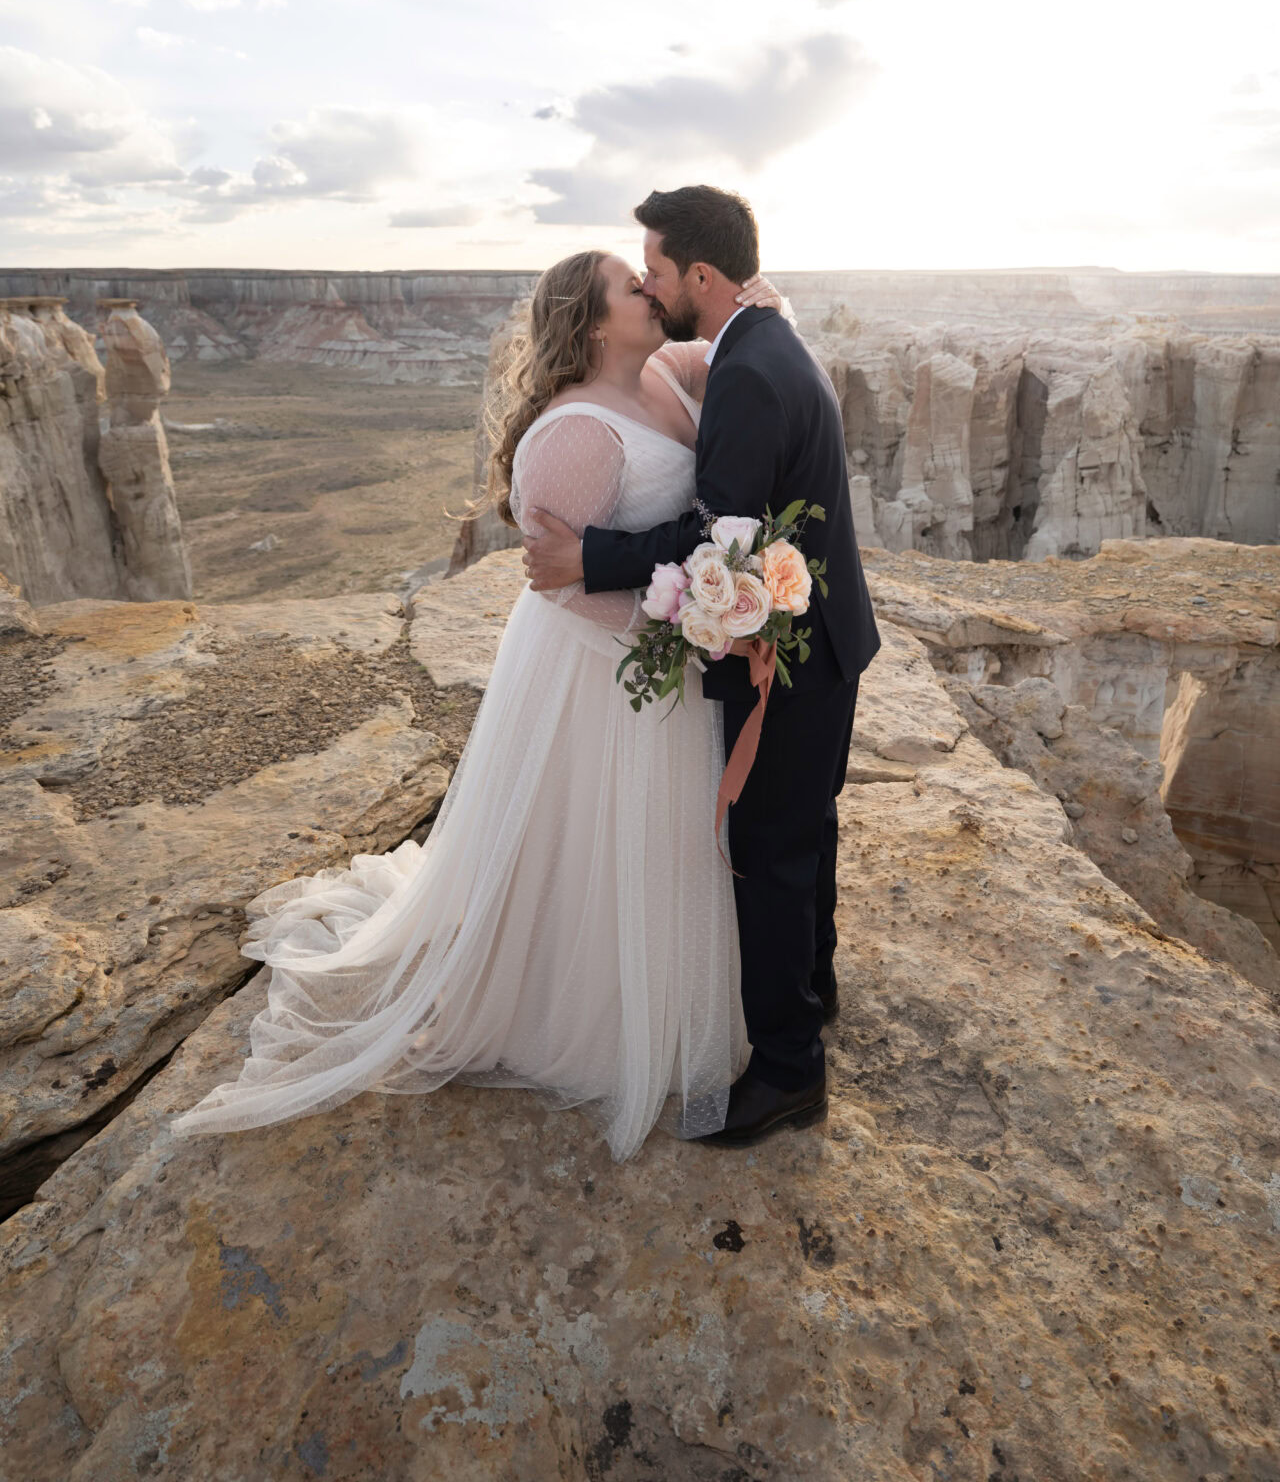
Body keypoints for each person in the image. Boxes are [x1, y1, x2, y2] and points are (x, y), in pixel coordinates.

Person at [174, 251, 784, 1160]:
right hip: (607, 674)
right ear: (590, 324)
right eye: (633, 287)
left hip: (665, 663)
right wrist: (687, 639)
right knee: (597, 845)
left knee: (664, 845)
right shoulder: (572, 436)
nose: (652, 294)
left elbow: (744, 329)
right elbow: (559, 583)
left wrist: (751, 291)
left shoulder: (664, 369)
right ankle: (571, 1007)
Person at [525, 185, 880, 1147]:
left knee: (769, 853)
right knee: (806, 829)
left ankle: (789, 1072)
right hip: (828, 641)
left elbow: (716, 541)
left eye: (657, 269)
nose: (648, 281)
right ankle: (817, 988)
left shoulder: (749, 375)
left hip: (794, 659)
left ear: (703, 278)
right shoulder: (756, 341)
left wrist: (588, 560)